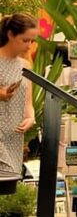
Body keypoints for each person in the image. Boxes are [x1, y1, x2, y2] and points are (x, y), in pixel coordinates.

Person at [0, 15, 35, 178]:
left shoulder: (25, 66)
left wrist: (30, 118)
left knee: (9, 185)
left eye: (31, 41)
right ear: (11, 35)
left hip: (14, 136)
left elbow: (28, 102)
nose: (29, 46)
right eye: (25, 40)